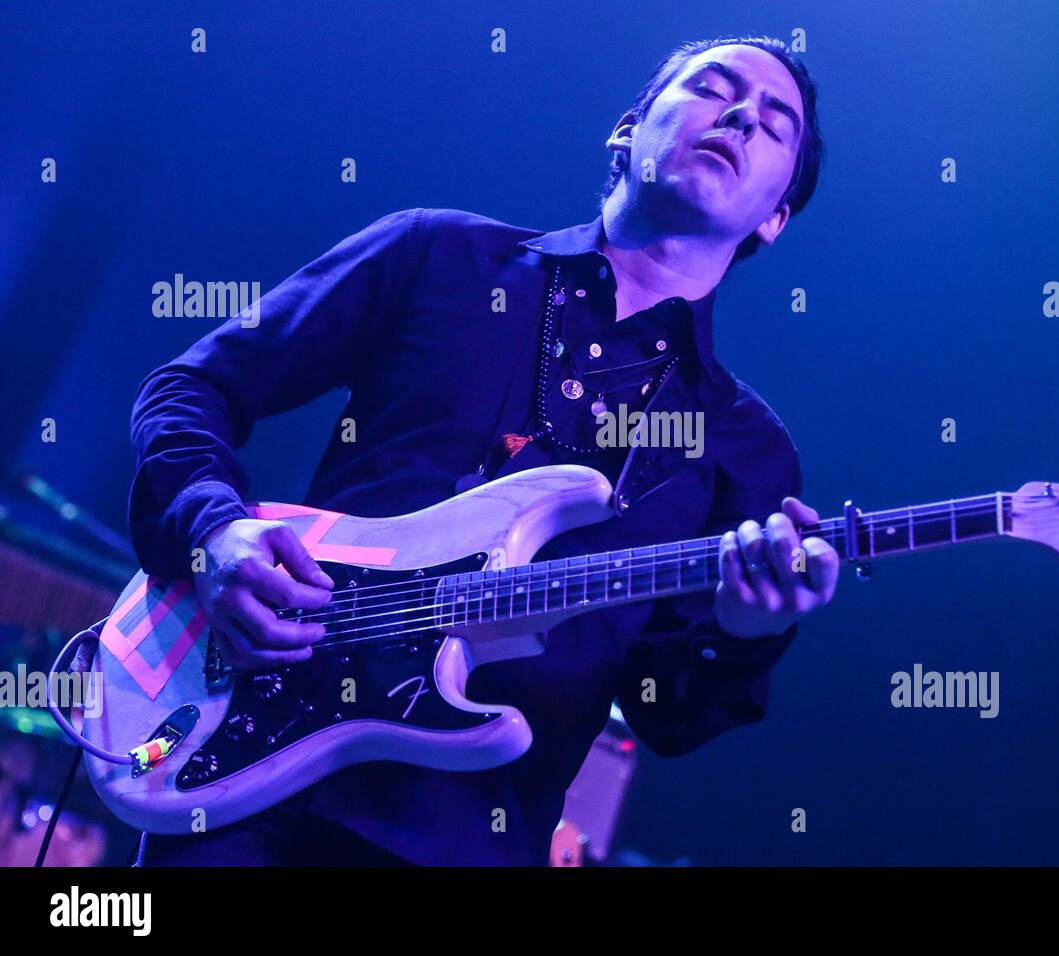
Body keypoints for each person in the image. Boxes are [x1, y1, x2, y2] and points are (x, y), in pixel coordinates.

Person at [128, 35, 836, 866]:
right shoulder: (438, 255)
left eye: (775, 124)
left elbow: (665, 716)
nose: (743, 115)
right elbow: (191, 390)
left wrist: (744, 630)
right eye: (713, 89)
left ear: (775, 216)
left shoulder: (745, 449)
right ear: (629, 127)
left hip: (465, 836)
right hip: (249, 775)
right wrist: (216, 533)